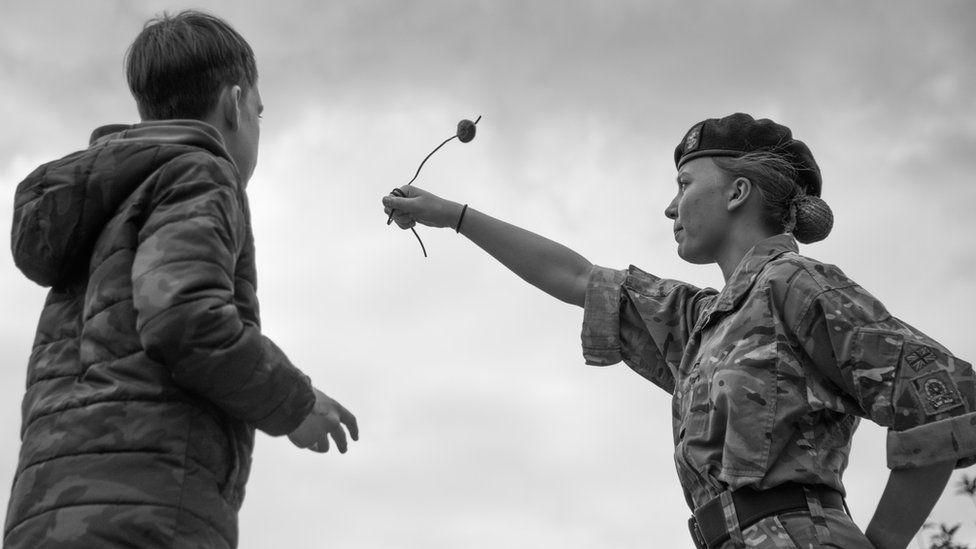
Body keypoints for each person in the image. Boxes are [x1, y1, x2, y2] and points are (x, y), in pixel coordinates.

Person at [382, 113, 975, 548]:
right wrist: (451, 216)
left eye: (686, 185)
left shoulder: (796, 283)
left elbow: (943, 402)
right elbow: (578, 275)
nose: (670, 207)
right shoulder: (704, 323)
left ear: (738, 192)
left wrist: (879, 546)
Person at [6, 10, 357, 549]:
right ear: (235, 105)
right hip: (148, 510)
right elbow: (183, 318)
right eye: (260, 113)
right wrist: (296, 403)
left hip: (48, 509)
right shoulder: (201, 172)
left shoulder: (101, 196)